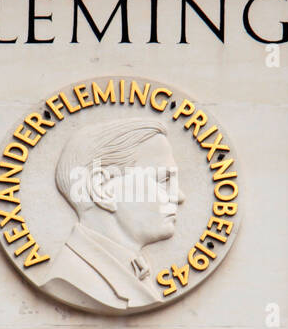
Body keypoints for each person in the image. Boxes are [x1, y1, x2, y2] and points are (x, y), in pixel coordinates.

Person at [37, 117, 185, 313]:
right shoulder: (69, 279)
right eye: (163, 179)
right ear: (102, 189)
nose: (179, 196)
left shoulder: (136, 271)